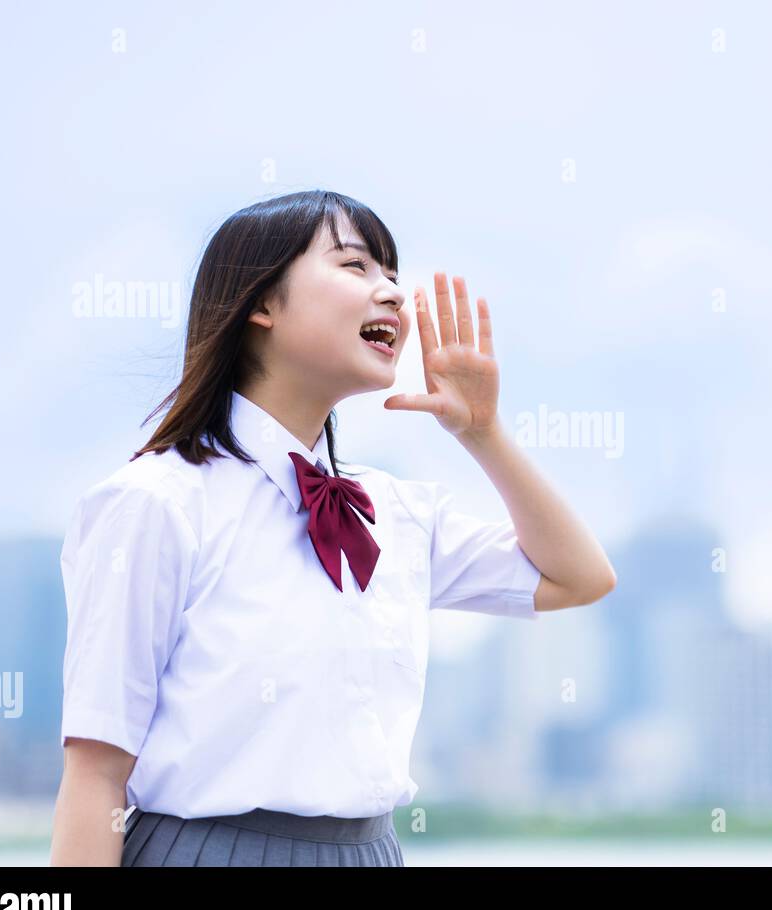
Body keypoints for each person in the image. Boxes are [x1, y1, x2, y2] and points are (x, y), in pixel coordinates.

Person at [48, 189, 616, 866]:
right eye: (355, 266)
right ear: (260, 304)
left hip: (370, 852)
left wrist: (482, 433)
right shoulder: (157, 502)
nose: (393, 296)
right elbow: (96, 772)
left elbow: (579, 577)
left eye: (393, 276)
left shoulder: (393, 511)